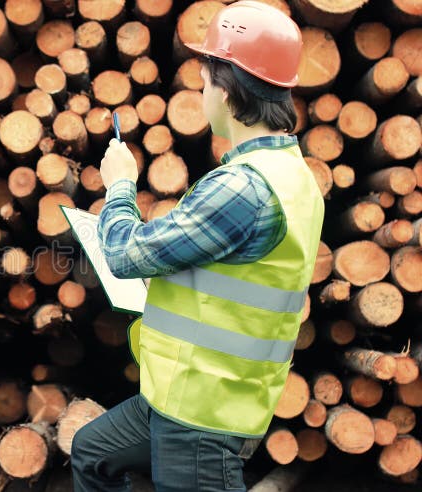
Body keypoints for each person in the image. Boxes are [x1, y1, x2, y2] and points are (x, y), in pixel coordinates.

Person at [70, 2, 325, 491]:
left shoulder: (243, 188)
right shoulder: (293, 175)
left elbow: (124, 254)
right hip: (186, 393)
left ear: (227, 92)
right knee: (93, 452)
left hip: (204, 410)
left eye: (206, 82)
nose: (202, 93)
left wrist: (120, 185)